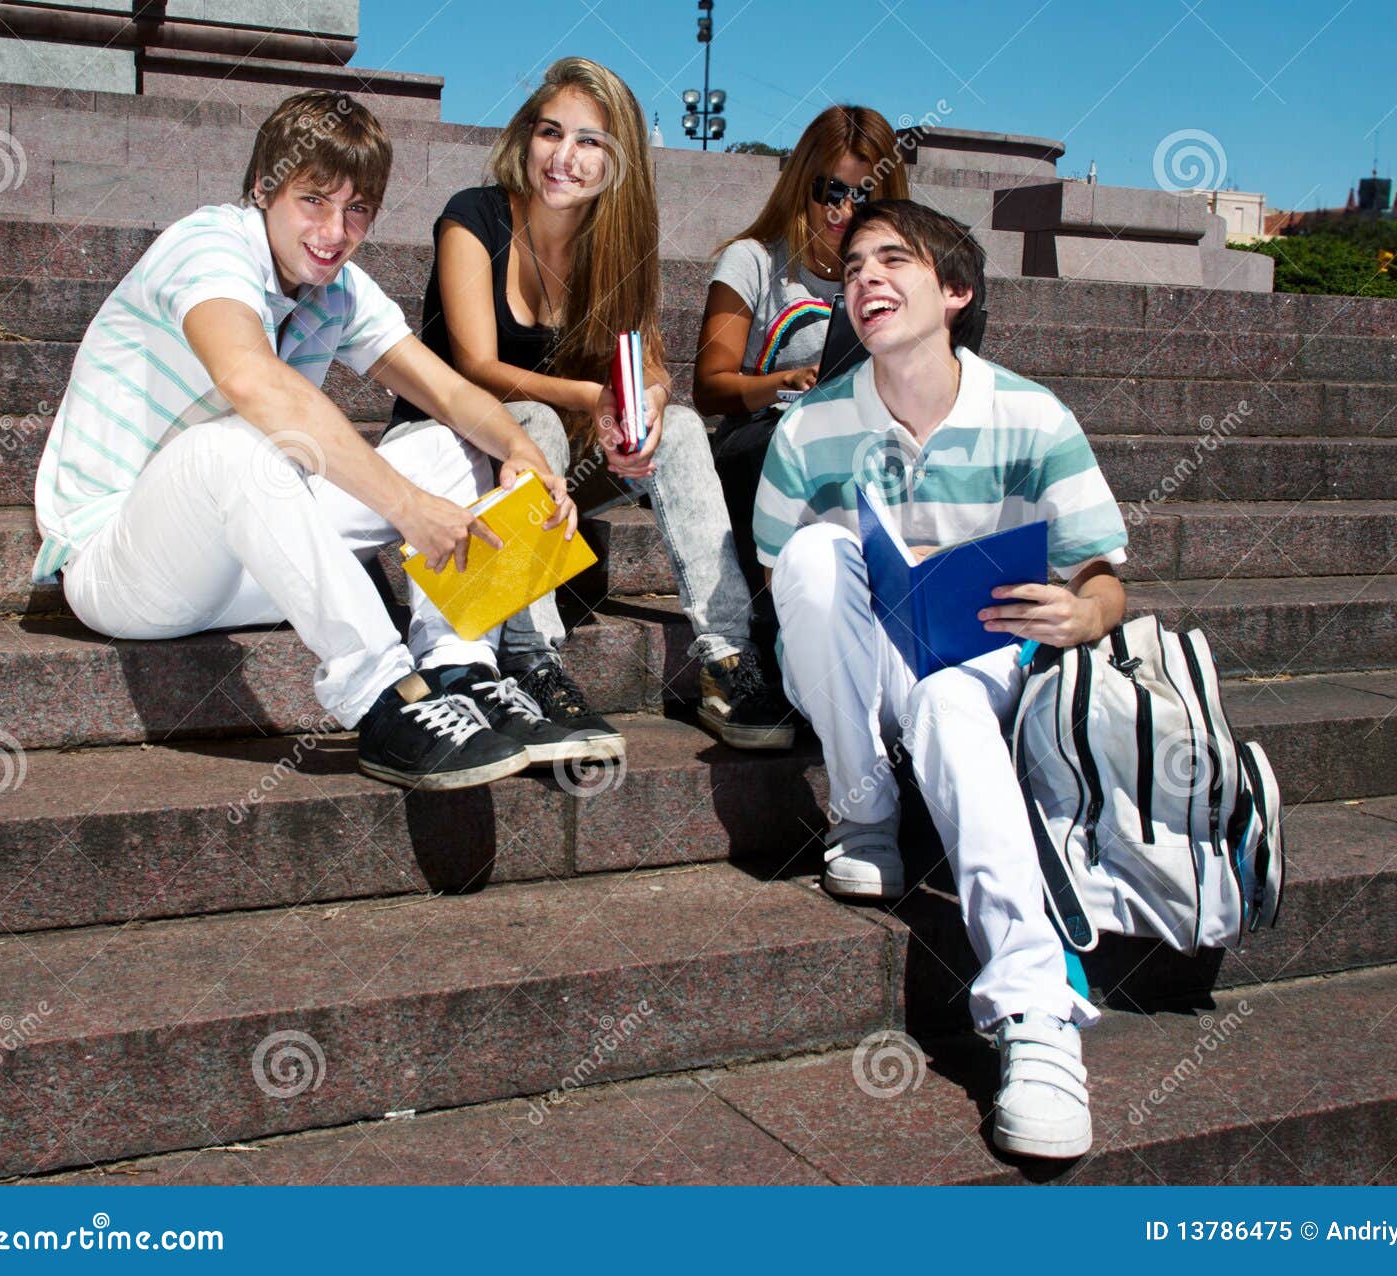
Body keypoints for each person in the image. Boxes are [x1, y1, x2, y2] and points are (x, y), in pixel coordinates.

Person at [31, 89, 586, 791]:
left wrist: (524, 455)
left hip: (253, 559)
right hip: (125, 568)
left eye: (357, 209)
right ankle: (383, 700)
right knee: (238, 442)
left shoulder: (339, 288)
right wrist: (409, 507)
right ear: (264, 190)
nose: (334, 230)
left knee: (455, 445)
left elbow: (447, 392)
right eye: (314, 200)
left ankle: (461, 670)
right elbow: (252, 380)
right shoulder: (207, 245)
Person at [754, 200, 1129, 1160]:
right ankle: (863, 811)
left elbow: (1103, 578)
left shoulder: (1030, 414)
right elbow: (782, 580)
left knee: (951, 695)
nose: (865, 279)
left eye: (894, 261)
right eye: (852, 269)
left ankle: (1036, 1016)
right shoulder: (811, 424)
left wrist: (1084, 614)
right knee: (812, 556)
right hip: (853, 662)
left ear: (956, 291)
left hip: (980, 660)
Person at [391, 57, 792, 751]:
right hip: (455, 455)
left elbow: (652, 366)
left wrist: (645, 407)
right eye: (551, 133)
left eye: (589, 142)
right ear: (526, 137)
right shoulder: (473, 217)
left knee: (681, 428)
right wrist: (592, 396)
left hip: (552, 477)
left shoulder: (613, 244)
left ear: (617, 160)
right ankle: (531, 659)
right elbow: (476, 366)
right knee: (537, 420)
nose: (564, 157)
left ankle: (726, 656)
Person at [694, 105, 909, 632]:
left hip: (861, 434)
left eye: (862, 196)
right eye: (829, 190)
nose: (843, 209)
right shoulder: (753, 261)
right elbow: (709, 388)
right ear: (801, 183)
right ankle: (777, 627)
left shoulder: (893, 277)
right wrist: (784, 383)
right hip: (760, 434)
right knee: (795, 445)